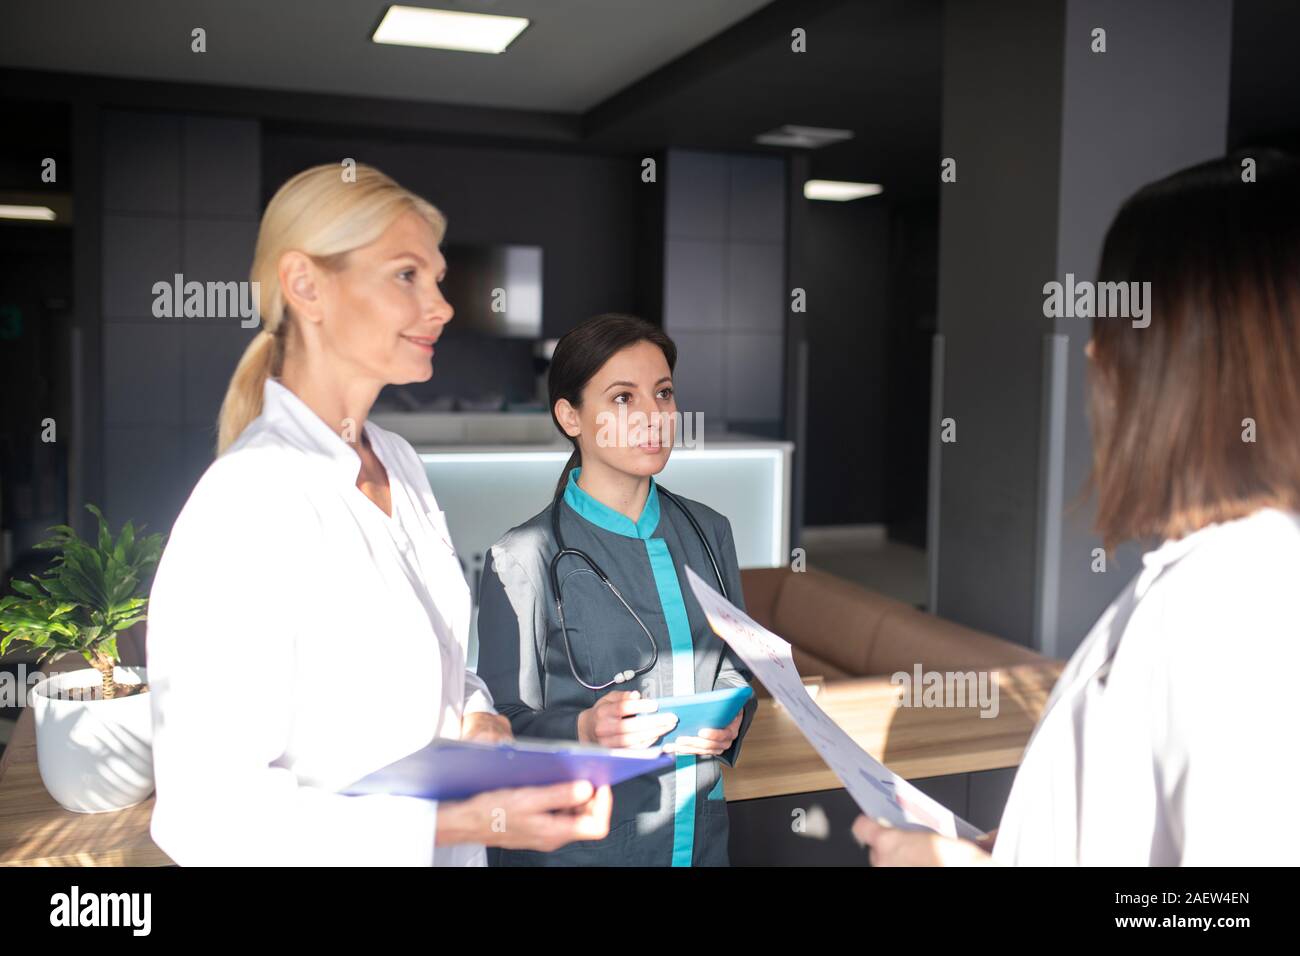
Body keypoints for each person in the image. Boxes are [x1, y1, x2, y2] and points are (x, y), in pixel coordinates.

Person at [146, 163, 611, 866]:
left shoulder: (399, 462)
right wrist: (458, 822)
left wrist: (479, 715)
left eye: (438, 278)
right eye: (406, 275)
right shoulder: (245, 502)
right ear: (306, 286)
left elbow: (443, 668)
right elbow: (206, 819)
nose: (443, 305)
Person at [855, 150, 1300, 866]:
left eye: (1120, 321)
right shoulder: (1211, 578)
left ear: (1196, 357)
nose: (1095, 350)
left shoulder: (1239, 601)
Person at [475, 314, 757, 866]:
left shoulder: (709, 531)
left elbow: (734, 663)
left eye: (664, 393)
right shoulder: (523, 557)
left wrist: (731, 715)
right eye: (623, 398)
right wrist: (582, 727)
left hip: (698, 834)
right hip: (582, 848)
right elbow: (502, 724)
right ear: (570, 416)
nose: (653, 416)